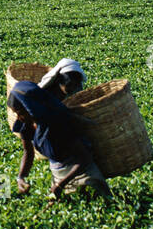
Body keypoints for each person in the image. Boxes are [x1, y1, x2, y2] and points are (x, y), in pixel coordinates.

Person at [7, 58, 109, 199]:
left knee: (96, 204)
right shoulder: (25, 125)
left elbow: (84, 158)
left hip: (84, 174)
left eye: (21, 113)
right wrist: (21, 178)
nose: (19, 118)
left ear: (31, 108)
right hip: (58, 175)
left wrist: (62, 183)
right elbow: (28, 152)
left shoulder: (56, 121)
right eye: (16, 113)